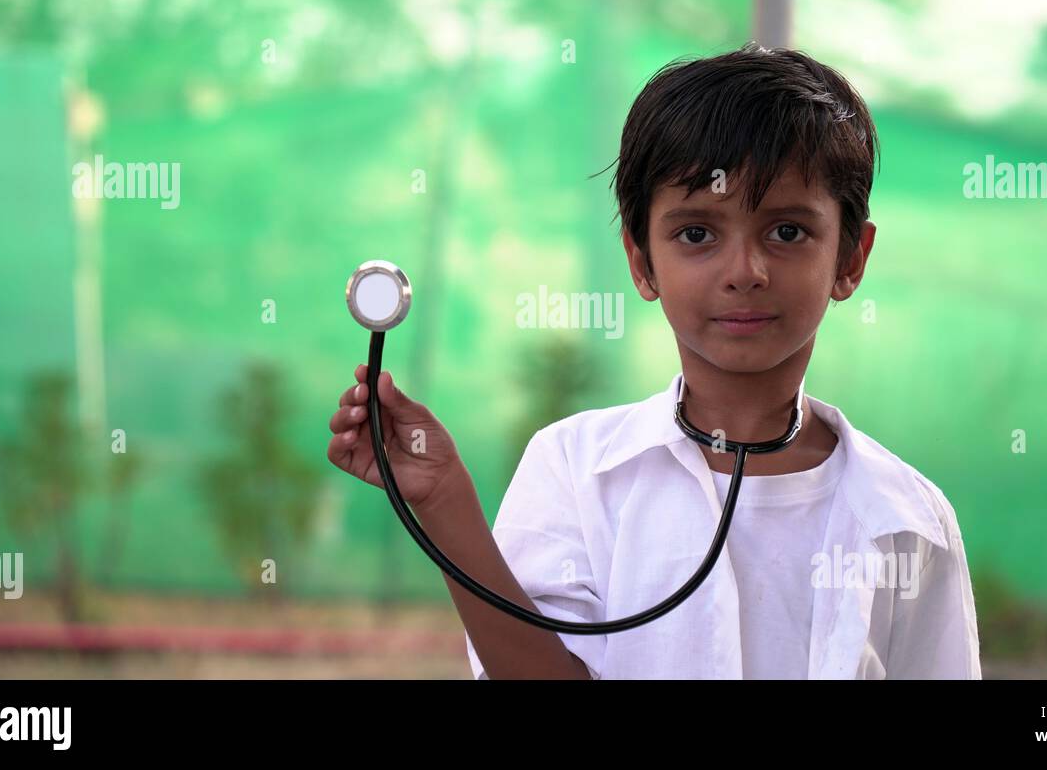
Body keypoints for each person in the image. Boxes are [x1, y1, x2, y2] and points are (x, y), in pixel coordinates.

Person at [326, 43, 981, 679]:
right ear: (641, 262)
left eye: (788, 231)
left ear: (850, 258)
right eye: (697, 233)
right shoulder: (575, 471)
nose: (744, 271)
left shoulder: (908, 520)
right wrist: (445, 503)